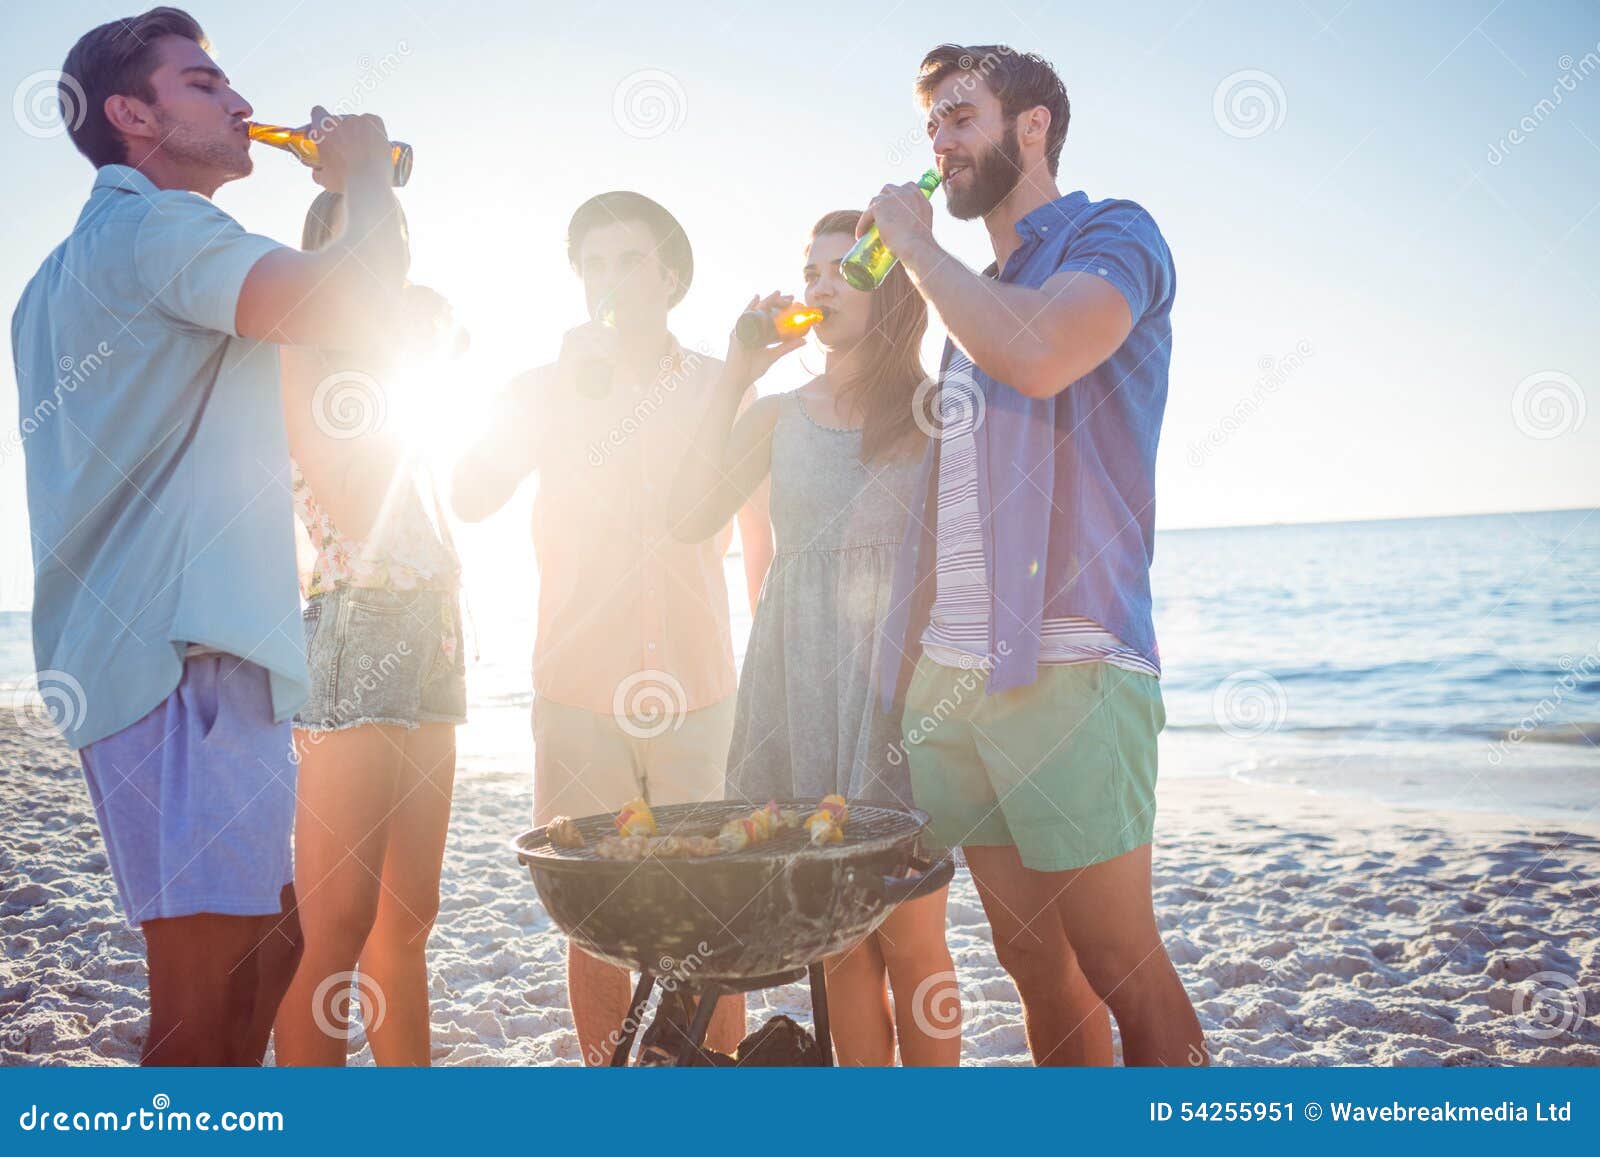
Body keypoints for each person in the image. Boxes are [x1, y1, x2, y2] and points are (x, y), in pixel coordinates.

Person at [11, 7, 407, 1064]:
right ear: (131, 114)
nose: (238, 102)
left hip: (142, 652)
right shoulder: (160, 229)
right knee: (208, 1001)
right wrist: (365, 178)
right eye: (201, 83)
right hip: (182, 656)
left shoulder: (56, 272)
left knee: (269, 947)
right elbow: (362, 304)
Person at [870, 43, 1206, 1066]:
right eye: (930, 126)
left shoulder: (1115, 236)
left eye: (960, 117)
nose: (940, 143)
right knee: (1028, 955)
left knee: (1118, 957)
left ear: (1032, 128)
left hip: (1071, 658)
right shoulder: (968, 297)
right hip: (954, 672)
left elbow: (1044, 352)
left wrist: (913, 249)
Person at [451, 192, 767, 1064]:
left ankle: (718, 1094)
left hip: (702, 689)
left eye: (627, 260)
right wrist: (548, 402)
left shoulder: (721, 385)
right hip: (579, 691)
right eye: (592, 264)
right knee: (593, 915)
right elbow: (468, 497)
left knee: (715, 913)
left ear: (669, 275)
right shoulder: (541, 387)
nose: (608, 279)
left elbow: (759, 529)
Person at [670, 211, 960, 1066]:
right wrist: (733, 377)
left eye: (844, 270)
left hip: (894, 694)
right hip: (794, 691)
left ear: (892, 288)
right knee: (835, 943)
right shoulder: (776, 415)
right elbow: (690, 515)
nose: (820, 285)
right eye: (812, 271)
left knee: (911, 939)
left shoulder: (934, 407)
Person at [271, 191, 466, 1066]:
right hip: (357, 617)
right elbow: (351, 499)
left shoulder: (387, 356)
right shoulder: (306, 339)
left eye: (397, 236)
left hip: (433, 625)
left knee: (407, 919)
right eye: (366, 239)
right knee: (337, 925)